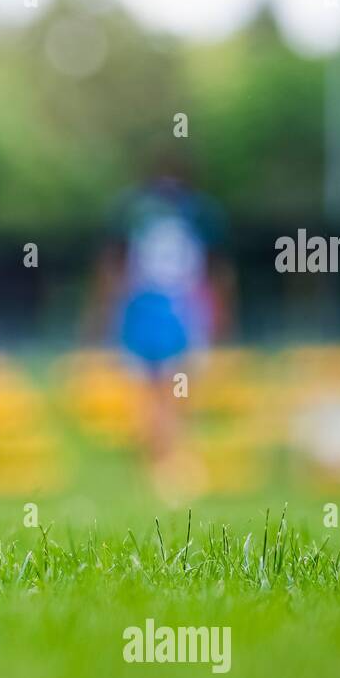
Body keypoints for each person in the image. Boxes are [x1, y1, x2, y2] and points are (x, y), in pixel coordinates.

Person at [80, 158, 235, 462]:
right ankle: (164, 457)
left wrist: (102, 313)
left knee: (161, 391)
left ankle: (163, 457)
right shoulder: (189, 212)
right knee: (167, 392)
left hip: (164, 310)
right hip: (167, 310)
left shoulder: (144, 212)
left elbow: (111, 268)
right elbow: (219, 273)